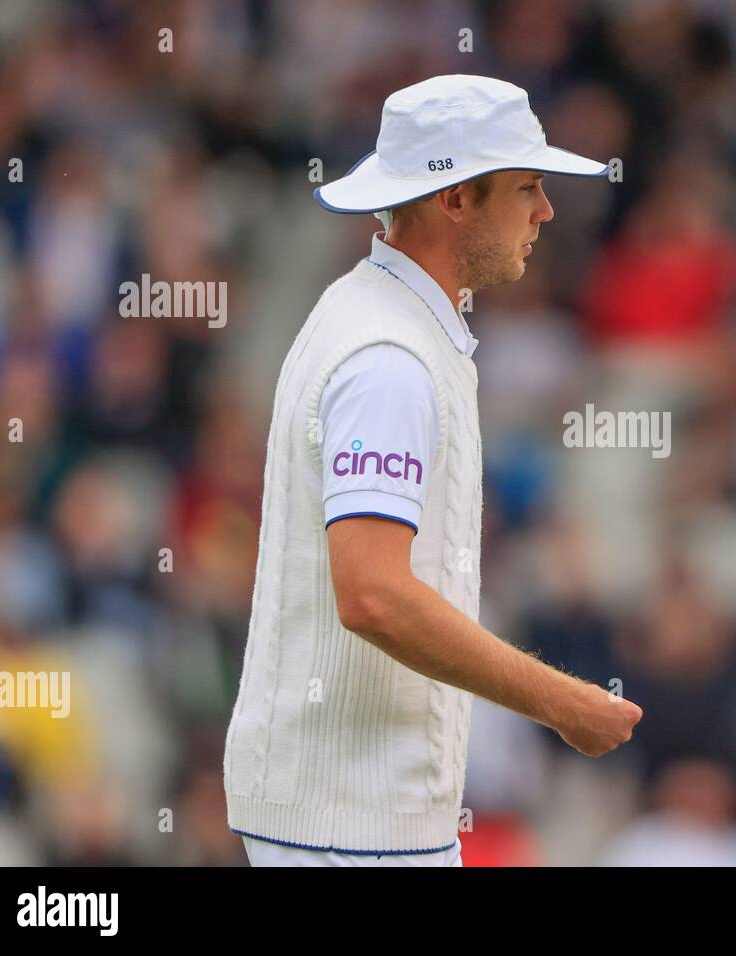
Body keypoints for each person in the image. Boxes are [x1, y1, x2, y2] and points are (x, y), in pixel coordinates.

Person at [224, 75, 642, 867]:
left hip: (356, 817)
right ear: (454, 199)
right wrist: (561, 705)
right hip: (350, 824)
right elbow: (373, 594)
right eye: (526, 188)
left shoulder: (388, 323)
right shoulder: (389, 355)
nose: (545, 212)